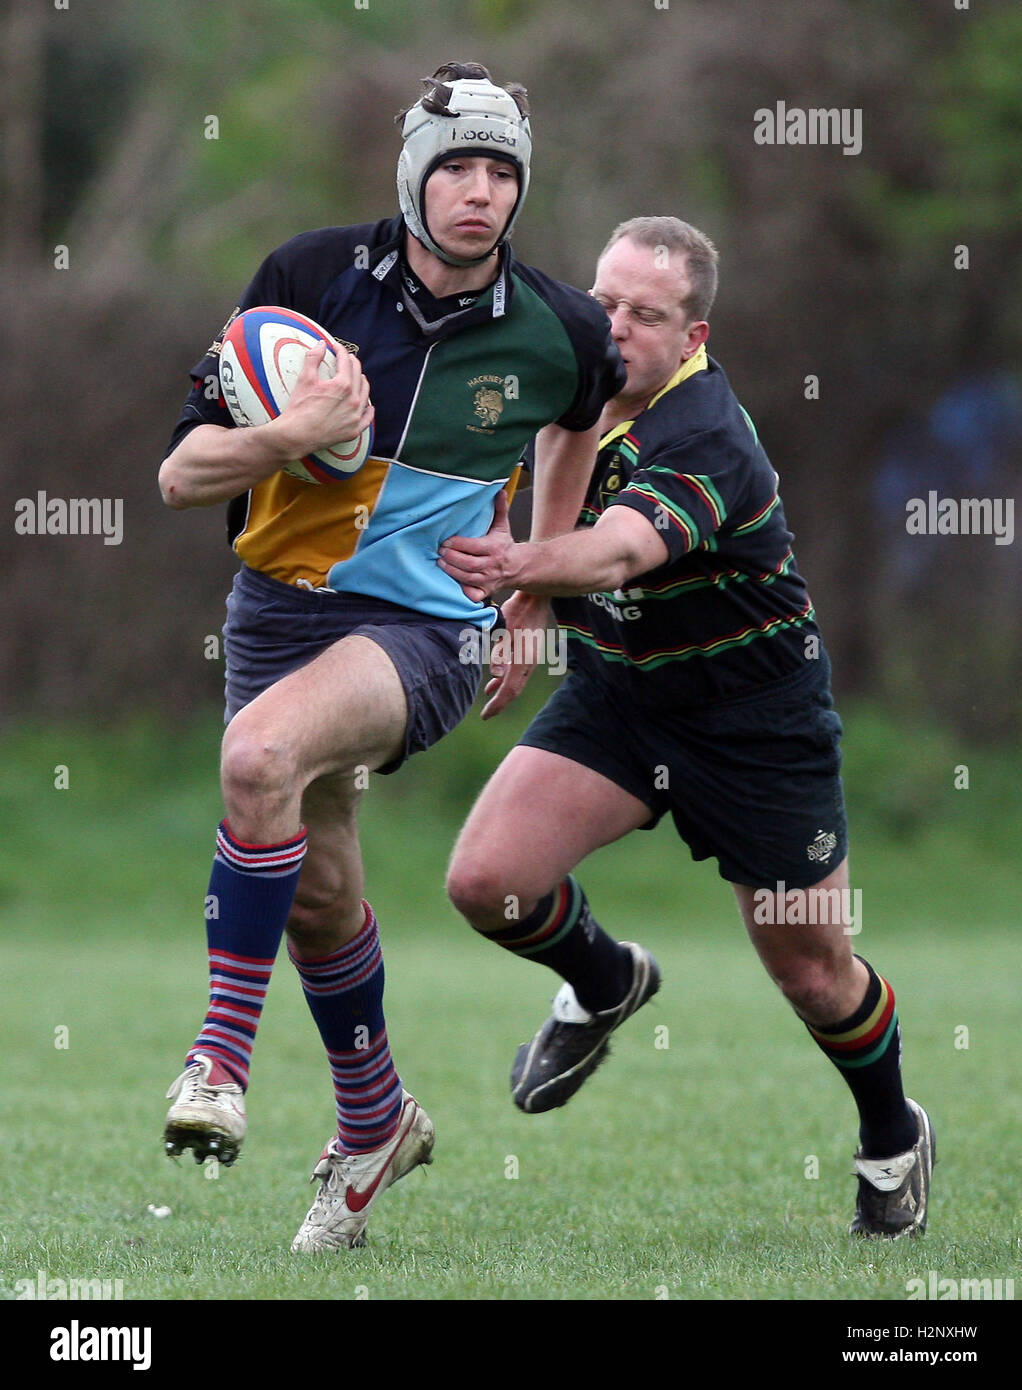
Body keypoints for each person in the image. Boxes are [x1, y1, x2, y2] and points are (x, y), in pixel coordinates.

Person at [156, 61, 624, 1253]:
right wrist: (287, 435)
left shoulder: (558, 325)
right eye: (458, 167)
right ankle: (376, 1124)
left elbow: (586, 412)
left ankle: (218, 1060)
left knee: (258, 757)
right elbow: (179, 476)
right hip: (276, 613)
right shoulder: (304, 281)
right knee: (314, 885)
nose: (481, 193)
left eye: (502, 172)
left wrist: (538, 576)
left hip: (428, 628)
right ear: (415, 176)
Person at [440, 216, 935, 1239]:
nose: (612, 327)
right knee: (487, 882)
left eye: (643, 315)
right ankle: (604, 979)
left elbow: (619, 551)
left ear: (693, 334)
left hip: (756, 720)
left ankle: (891, 1137)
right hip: (624, 697)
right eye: (604, 299)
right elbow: (563, 429)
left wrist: (517, 573)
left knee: (809, 967)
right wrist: (534, 601)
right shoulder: (583, 361)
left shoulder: (705, 435)